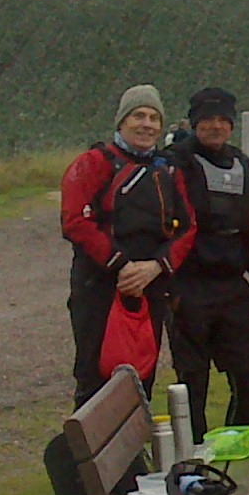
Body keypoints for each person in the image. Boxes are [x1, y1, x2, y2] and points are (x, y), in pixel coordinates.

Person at [60, 85, 196, 405]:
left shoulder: (168, 170)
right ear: (121, 122)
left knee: (140, 377)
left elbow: (188, 227)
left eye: (153, 118)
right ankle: (90, 453)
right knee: (96, 377)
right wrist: (121, 265)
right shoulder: (95, 163)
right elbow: (75, 222)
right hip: (100, 288)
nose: (146, 125)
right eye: (138, 116)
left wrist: (156, 267)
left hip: (150, 286)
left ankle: (133, 453)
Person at [166, 87, 249, 439]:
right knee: (192, 384)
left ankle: (232, 451)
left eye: (222, 120)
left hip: (232, 289)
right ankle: (194, 461)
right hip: (188, 288)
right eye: (207, 120)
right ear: (194, 123)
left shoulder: (241, 163)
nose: (215, 127)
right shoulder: (174, 162)